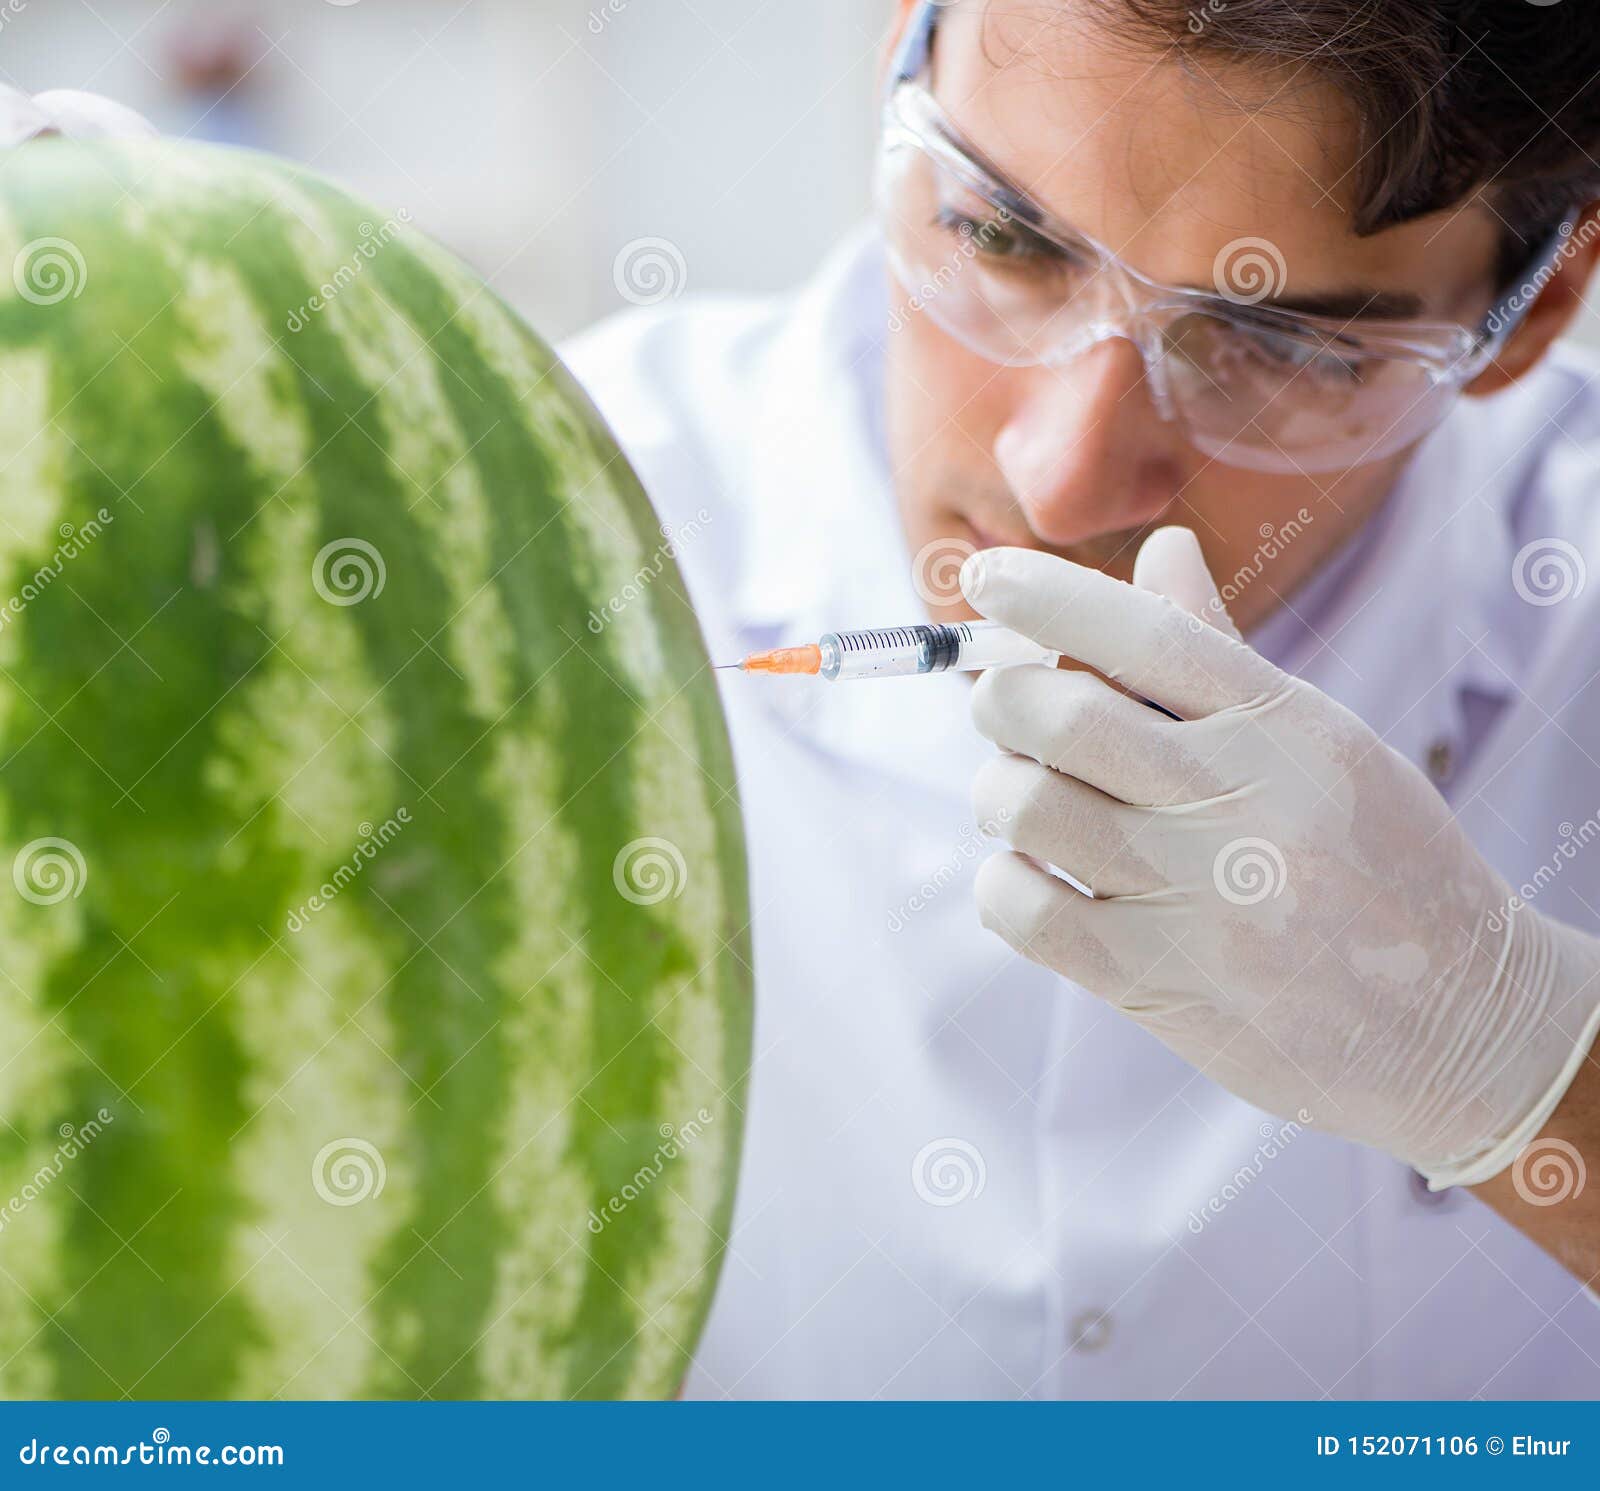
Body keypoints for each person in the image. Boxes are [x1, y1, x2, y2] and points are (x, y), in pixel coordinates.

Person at [566, 0, 1600, 1398]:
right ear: (898, 59)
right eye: (1001, 235)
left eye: (1280, 346)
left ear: (1531, 308)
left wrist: (1521, 1064)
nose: (1060, 477)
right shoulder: (543, 524)